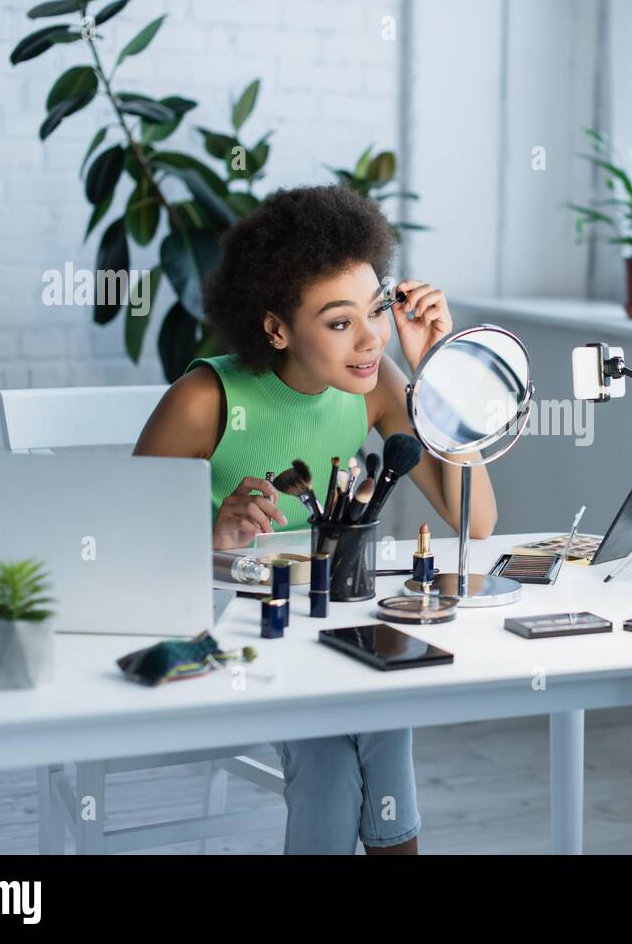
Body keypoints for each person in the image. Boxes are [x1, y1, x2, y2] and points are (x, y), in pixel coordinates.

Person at [133, 185, 497, 853]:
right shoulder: (203, 399)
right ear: (276, 328)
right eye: (338, 323)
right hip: (240, 640)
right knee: (353, 740)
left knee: (385, 708)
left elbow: (472, 519)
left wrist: (443, 375)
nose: (369, 340)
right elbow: (118, 550)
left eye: (375, 310)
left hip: (333, 632)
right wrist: (211, 536)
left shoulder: (378, 382)